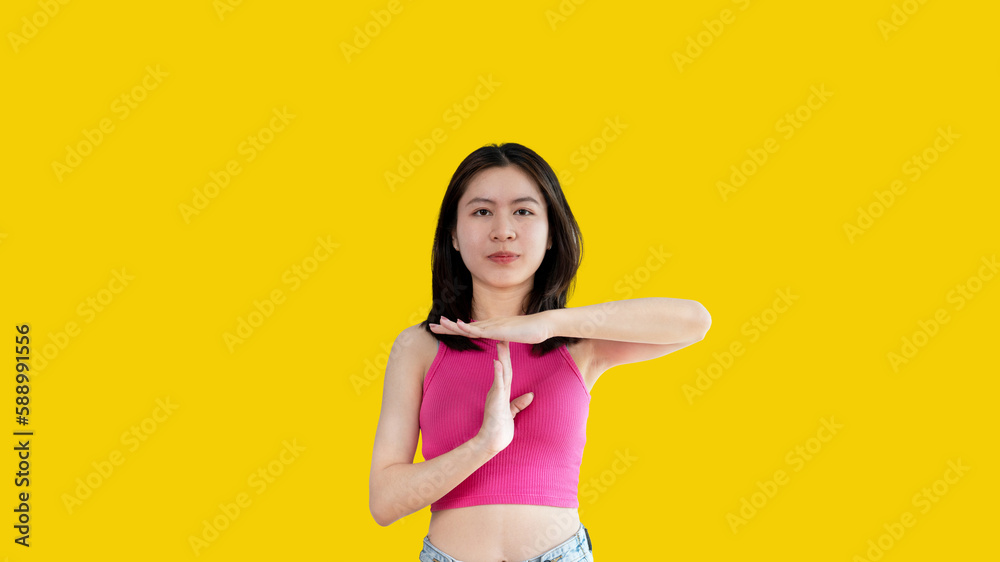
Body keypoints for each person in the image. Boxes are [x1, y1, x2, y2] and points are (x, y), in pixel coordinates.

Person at [369, 142, 711, 561]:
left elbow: (695, 321)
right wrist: (483, 445)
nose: (503, 231)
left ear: (551, 234)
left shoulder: (580, 344)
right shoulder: (419, 345)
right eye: (481, 211)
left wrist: (548, 323)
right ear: (453, 236)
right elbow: (384, 502)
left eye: (523, 211)